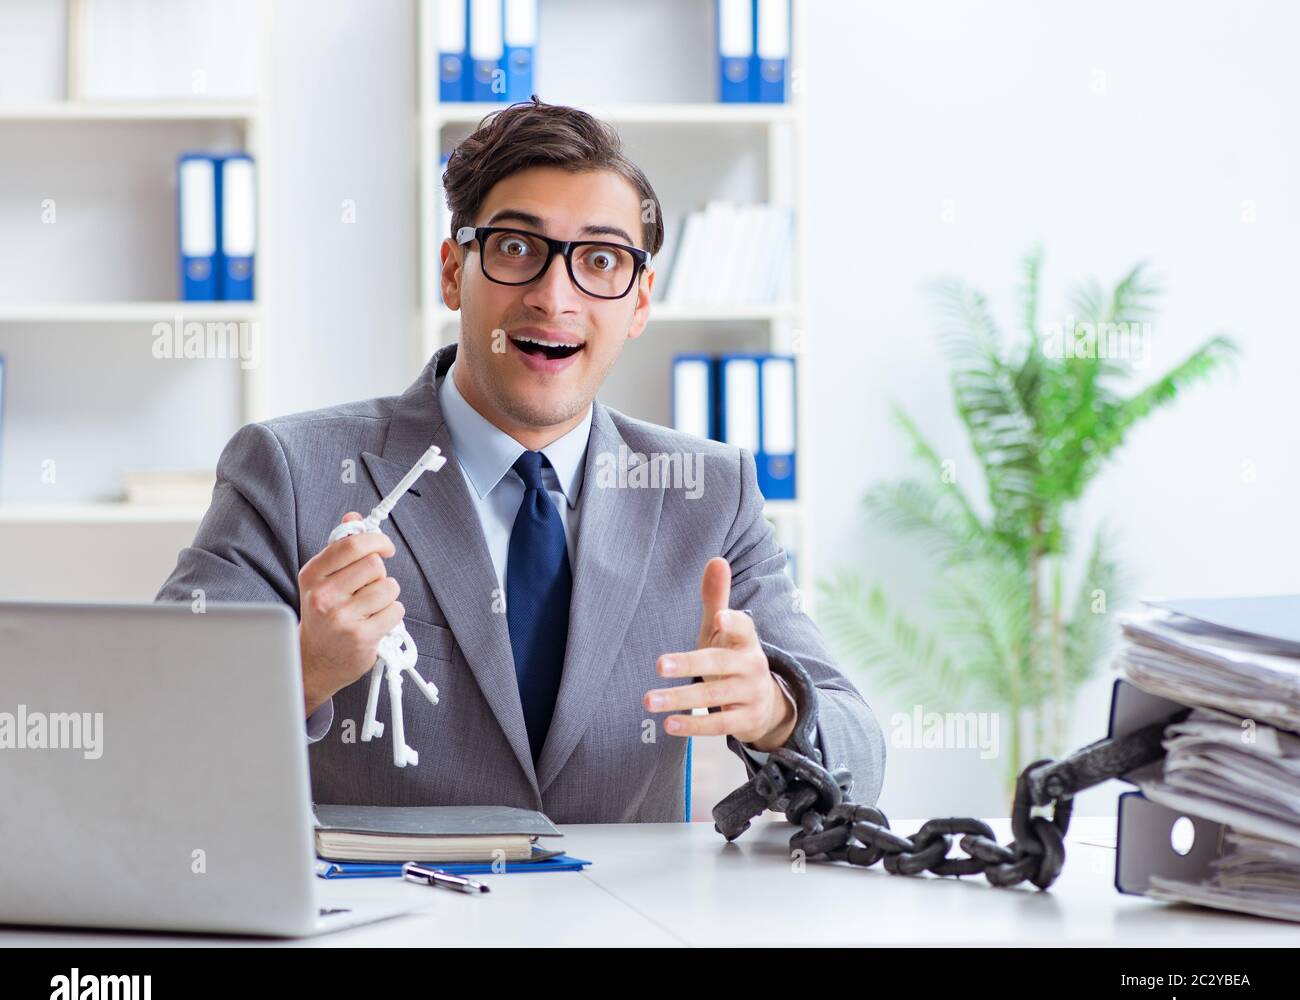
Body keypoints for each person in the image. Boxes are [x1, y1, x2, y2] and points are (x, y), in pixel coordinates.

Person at [156, 97, 885, 823]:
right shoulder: (288, 471)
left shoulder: (709, 493)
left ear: (638, 302)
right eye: (515, 248)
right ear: (453, 272)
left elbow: (862, 754)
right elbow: (156, 732)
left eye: (601, 260)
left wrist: (778, 711)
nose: (553, 295)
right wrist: (304, 671)